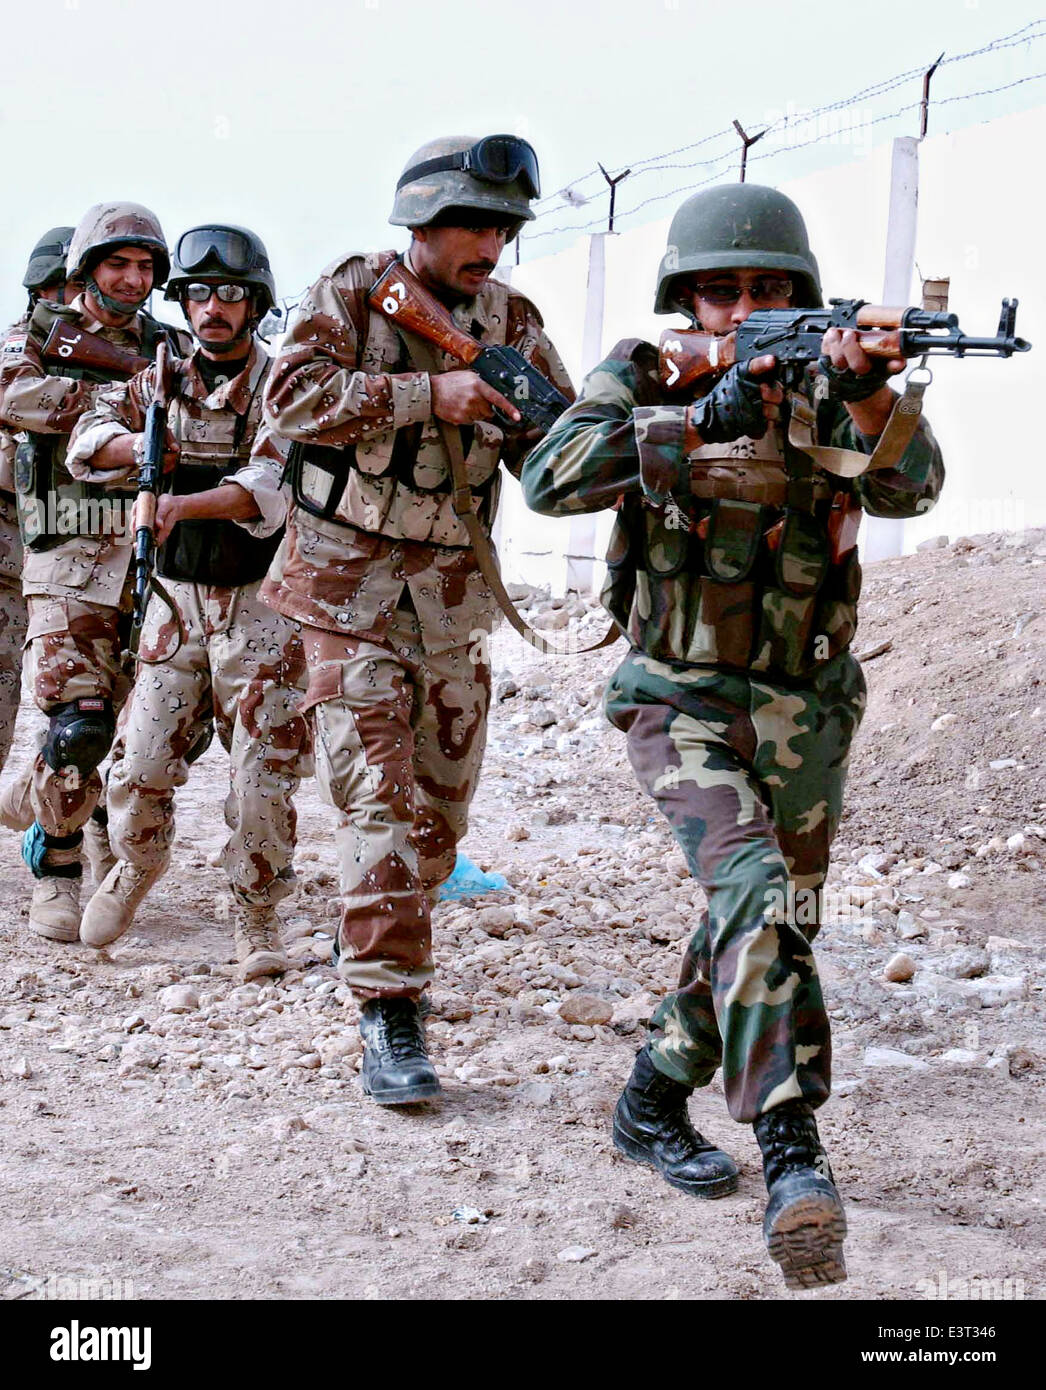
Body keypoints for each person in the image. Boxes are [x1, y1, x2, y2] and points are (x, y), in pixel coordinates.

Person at [520, 183, 944, 1288]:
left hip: (804, 704)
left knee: (766, 919)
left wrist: (862, 396)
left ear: (799, 296)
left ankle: (652, 1097)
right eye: (721, 288)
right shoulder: (647, 370)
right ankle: (793, 1156)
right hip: (679, 694)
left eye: (765, 289)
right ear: (686, 297)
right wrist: (685, 421)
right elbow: (549, 478)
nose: (741, 304)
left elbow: (913, 488)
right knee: (755, 896)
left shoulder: (831, 379)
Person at [261, 135, 573, 1103]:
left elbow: (553, 455)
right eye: (472, 224)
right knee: (379, 801)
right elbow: (286, 398)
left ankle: (373, 913)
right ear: (421, 221)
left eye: (502, 228)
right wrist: (424, 394)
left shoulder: (512, 322)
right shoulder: (353, 294)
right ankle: (390, 1010)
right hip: (343, 598)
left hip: (447, 607)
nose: (490, 243)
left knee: (437, 816)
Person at [67, 225, 310, 983]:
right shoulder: (160, 378)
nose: (213, 308)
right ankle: (137, 867)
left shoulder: (283, 384)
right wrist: (137, 454)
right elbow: (86, 435)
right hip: (177, 605)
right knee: (137, 766)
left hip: (262, 605)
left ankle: (255, 905)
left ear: (256, 304)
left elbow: (267, 489)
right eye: (199, 293)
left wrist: (176, 504)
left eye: (230, 295)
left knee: (262, 774)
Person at [0, 203, 189, 942]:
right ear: (86, 269)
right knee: (74, 724)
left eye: (146, 268)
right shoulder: (39, 338)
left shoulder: (166, 345)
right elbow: (14, 395)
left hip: (146, 552)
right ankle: (58, 864)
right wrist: (117, 401)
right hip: (66, 550)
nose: (133, 280)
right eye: (118, 265)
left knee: (131, 729)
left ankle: (41, 798)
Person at [0, 228, 75, 801]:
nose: (70, 298)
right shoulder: (18, 347)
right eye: (59, 286)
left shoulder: (132, 350)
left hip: (83, 563)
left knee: (82, 712)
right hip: (10, 558)